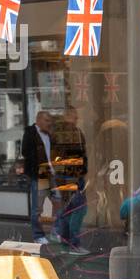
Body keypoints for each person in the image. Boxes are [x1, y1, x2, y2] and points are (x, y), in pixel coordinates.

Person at [50, 108, 89, 253]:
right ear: (67, 117)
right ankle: (72, 242)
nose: (77, 119)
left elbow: (82, 153)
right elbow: (59, 156)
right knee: (78, 208)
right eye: (74, 117)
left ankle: (65, 239)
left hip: (75, 174)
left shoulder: (76, 132)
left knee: (70, 208)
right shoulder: (62, 133)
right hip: (68, 175)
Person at [20, 110, 61, 246]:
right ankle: (38, 235)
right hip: (40, 174)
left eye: (50, 121)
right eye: (47, 120)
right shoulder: (30, 132)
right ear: (39, 120)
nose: (49, 123)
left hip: (51, 173)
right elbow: (25, 152)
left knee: (59, 200)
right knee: (38, 207)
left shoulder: (49, 134)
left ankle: (56, 231)